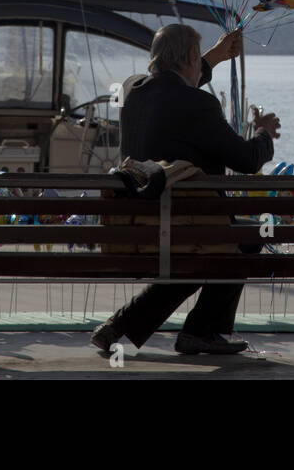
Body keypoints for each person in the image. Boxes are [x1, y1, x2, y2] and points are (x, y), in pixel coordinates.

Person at [90, 23, 280, 356]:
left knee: (204, 250)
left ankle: (120, 325)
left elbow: (171, 88)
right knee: (244, 241)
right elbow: (248, 159)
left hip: (139, 230)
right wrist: (262, 133)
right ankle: (202, 331)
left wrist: (215, 57)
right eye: (197, 56)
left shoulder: (132, 91)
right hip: (189, 228)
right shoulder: (200, 105)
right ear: (192, 56)